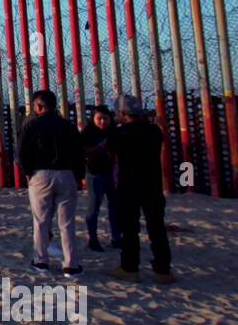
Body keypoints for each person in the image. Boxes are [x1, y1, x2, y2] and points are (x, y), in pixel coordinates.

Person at [106, 95, 175, 284]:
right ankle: (163, 270)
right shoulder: (154, 131)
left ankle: (130, 268)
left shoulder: (120, 134)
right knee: (157, 228)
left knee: (129, 229)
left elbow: (108, 151)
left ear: (121, 114)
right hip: (152, 185)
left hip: (128, 186)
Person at [17, 90, 86, 278]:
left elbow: (22, 152)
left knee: (40, 221)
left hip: (40, 175)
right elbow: (79, 152)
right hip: (66, 174)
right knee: (67, 223)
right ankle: (70, 265)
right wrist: (79, 176)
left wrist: (28, 173)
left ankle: (41, 261)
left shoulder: (32, 125)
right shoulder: (68, 126)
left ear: (38, 106)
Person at [82, 105, 122, 252]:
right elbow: (83, 152)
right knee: (94, 208)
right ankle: (93, 239)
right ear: (93, 119)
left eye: (105, 119)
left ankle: (117, 238)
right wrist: (101, 148)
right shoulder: (88, 133)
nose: (103, 122)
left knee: (115, 208)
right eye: (99, 119)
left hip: (113, 174)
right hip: (95, 174)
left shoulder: (115, 132)